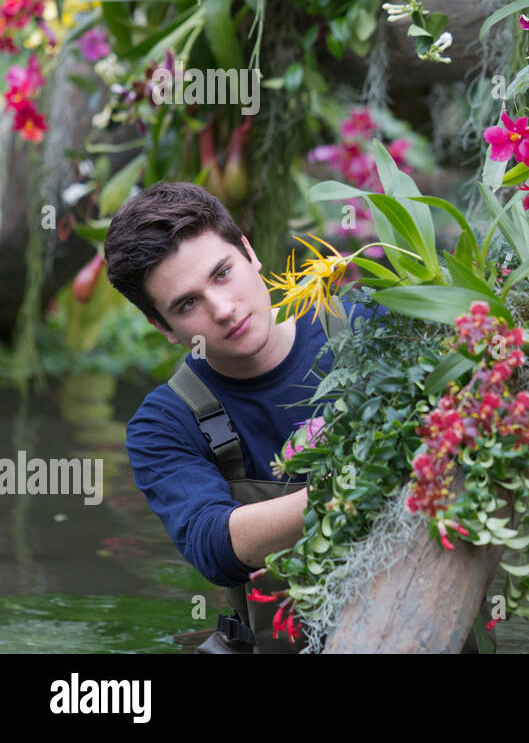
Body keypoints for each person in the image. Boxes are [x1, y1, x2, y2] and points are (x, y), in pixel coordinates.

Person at [104, 182, 366, 653]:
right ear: (163, 327)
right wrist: (357, 489)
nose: (223, 311)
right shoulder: (167, 422)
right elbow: (215, 548)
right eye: (187, 304)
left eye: (222, 273)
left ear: (248, 251)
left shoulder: (371, 327)